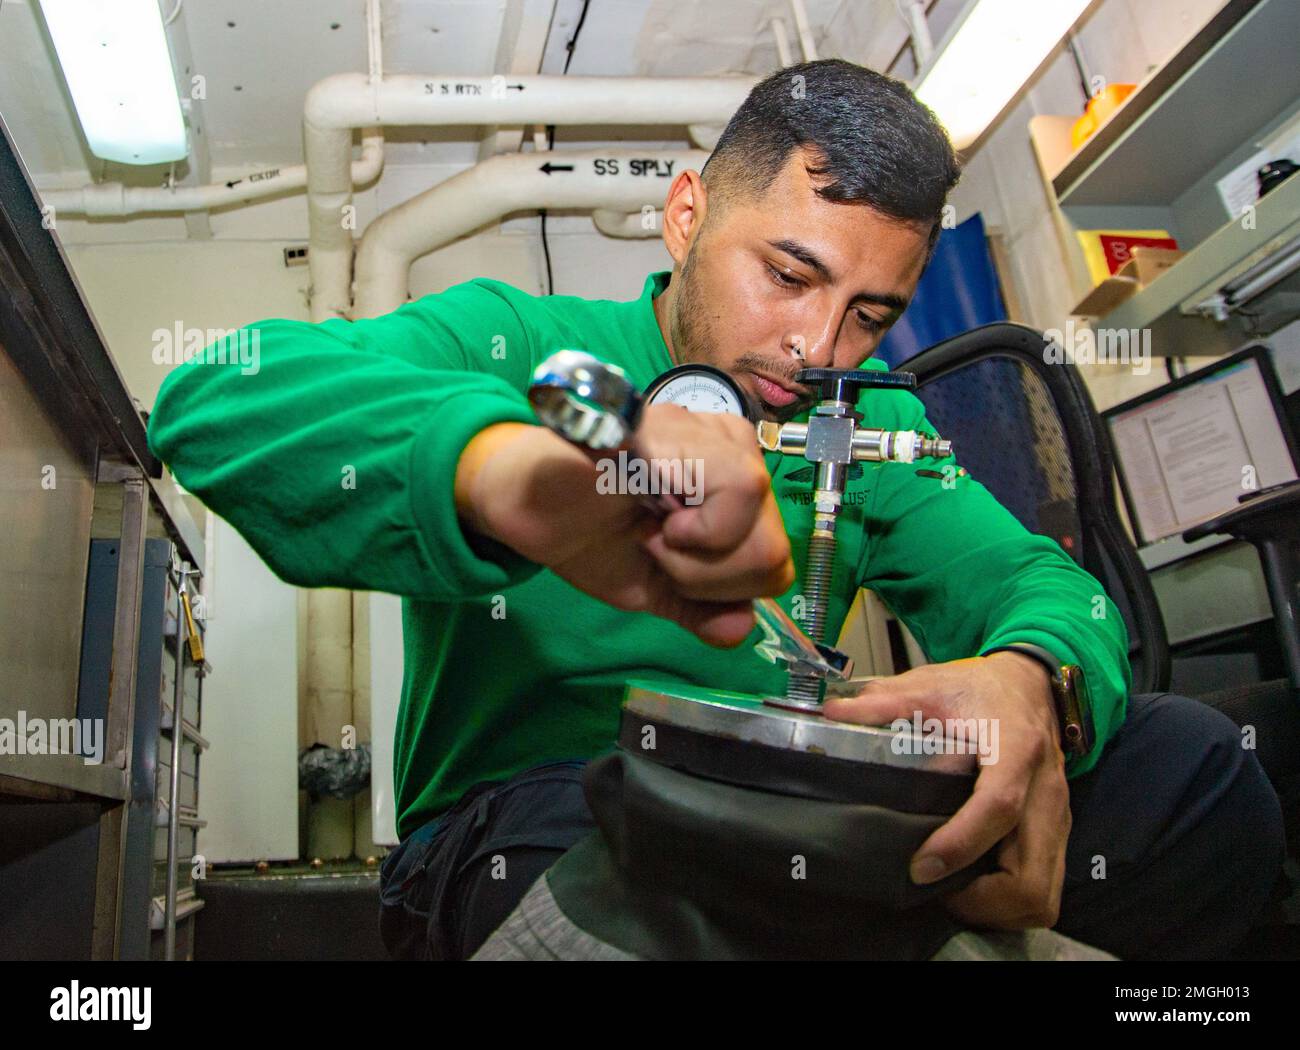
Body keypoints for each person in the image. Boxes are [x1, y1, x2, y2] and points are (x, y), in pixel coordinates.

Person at [147, 59, 1285, 961]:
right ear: (686, 214)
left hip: (798, 816)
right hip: (548, 825)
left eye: (868, 314)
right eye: (787, 277)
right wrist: (511, 479)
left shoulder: (862, 423)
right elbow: (218, 397)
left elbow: (1040, 582)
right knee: (618, 837)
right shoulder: (525, 347)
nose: (815, 348)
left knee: (1195, 771)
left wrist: (1031, 682)